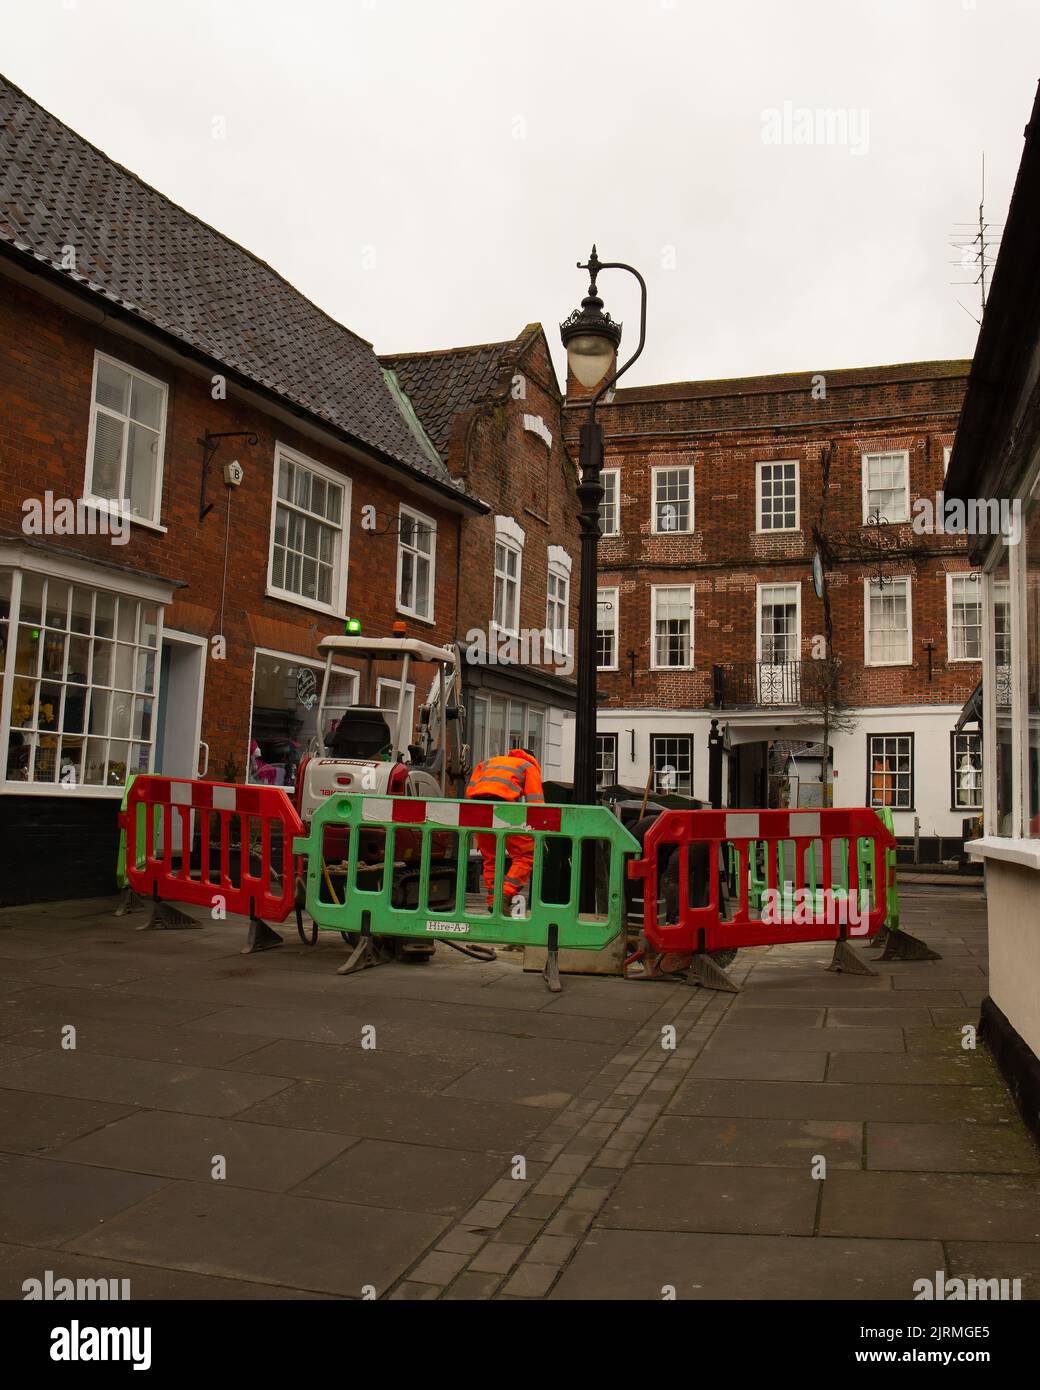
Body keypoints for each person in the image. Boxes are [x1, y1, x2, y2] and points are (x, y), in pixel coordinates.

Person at [465, 747, 545, 910]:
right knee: (526, 855)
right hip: (504, 808)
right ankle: (505, 895)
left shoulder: (489, 763)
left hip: (479, 810)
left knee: (491, 858)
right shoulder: (528, 766)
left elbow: (470, 790)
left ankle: (493, 901)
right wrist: (539, 831)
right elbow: (536, 803)